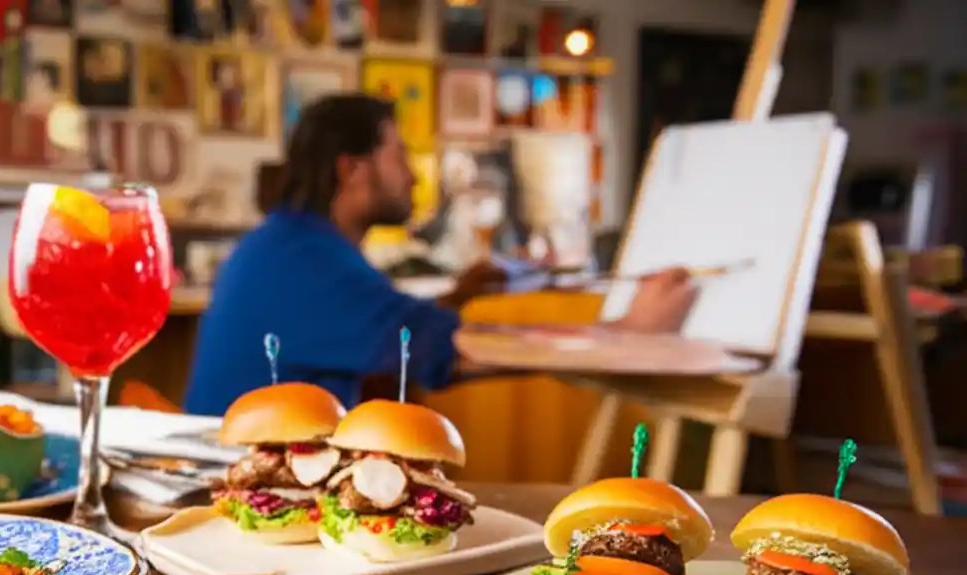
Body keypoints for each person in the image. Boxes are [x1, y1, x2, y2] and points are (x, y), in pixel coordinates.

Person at [184, 94, 697, 416]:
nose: (412, 176)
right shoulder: (305, 261)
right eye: (399, 155)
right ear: (351, 170)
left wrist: (460, 294)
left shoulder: (287, 243)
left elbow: (391, 331)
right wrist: (627, 335)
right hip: (237, 496)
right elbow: (449, 350)